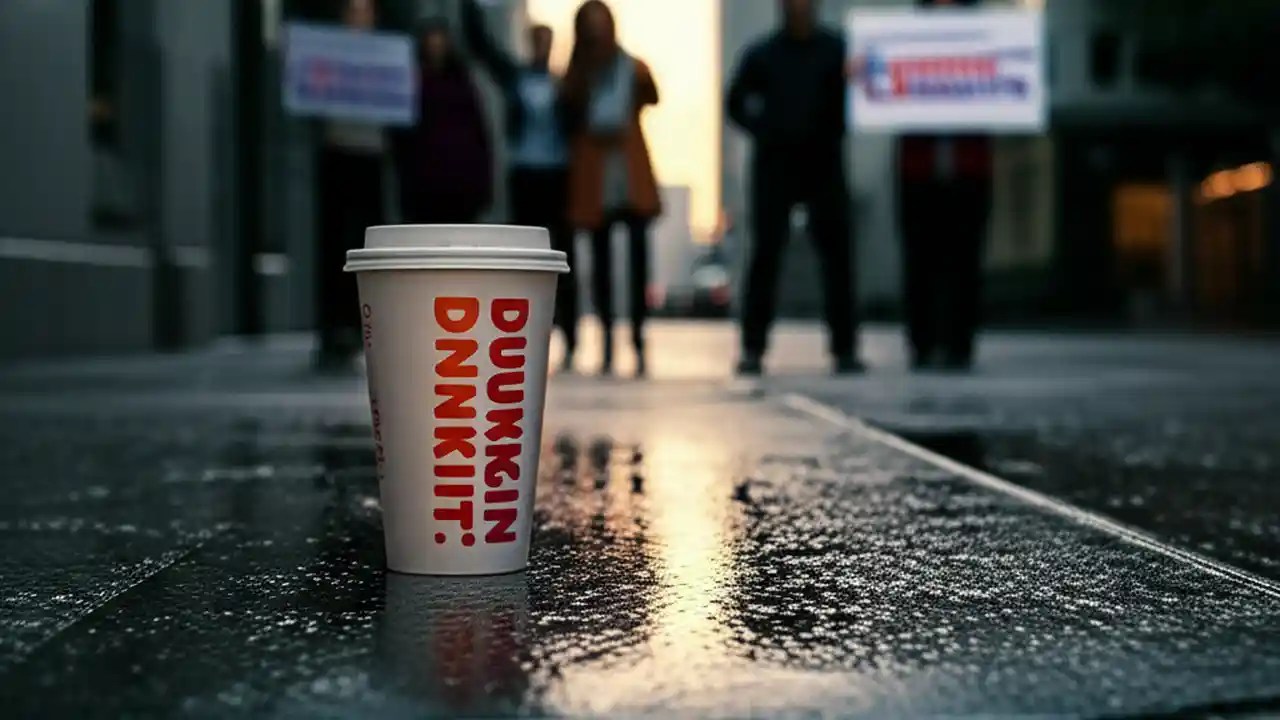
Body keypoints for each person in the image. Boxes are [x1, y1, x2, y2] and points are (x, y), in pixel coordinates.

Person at [727, 0, 862, 376]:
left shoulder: (836, 50)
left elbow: (859, 94)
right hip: (776, 165)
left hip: (823, 162)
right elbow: (734, 102)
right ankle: (753, 347)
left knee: (837, 255)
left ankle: (845, 348)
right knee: (766, 254)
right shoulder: (763, 54)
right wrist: (764, 129)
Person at [462, 3, 579, 371]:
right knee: (523, 258)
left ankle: (569, 333)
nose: (542, 46)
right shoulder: (516, 78)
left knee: (562, 256)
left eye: (548, 40)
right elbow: (482, 48)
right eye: (537, 40)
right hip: (525, 175)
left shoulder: (564, 85)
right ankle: (521, 332)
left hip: (558, 177)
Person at [561, 0, 661, 376]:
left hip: (628, 172)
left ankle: (637, 335)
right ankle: (605, 340)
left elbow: (653, 94)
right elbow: (567, 108)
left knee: (637, 260)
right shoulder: (578, 74)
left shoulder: (629, 67)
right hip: (593, 174)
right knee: (600, 261)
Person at [896, 0, 993, 371]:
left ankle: (959, 343)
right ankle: (922, 342)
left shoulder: (983, 35)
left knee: (965, 258)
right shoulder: (905, 38)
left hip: (968, 168)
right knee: (920, 258)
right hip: (918, 170)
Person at [315, 0, 387, 371]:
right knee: (334, 242)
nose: (358, 17)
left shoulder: (386, 55)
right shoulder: (329, 53)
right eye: (352, 10)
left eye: (364, 10)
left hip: (370, 155)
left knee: (366, 242)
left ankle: (363, 325)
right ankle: (334, 326)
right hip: (337, 150)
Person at [393, 19, 493, 224]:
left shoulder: (462, 83)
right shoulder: (412, 81)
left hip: (460, 180)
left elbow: (478, 132)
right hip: (424, 181)